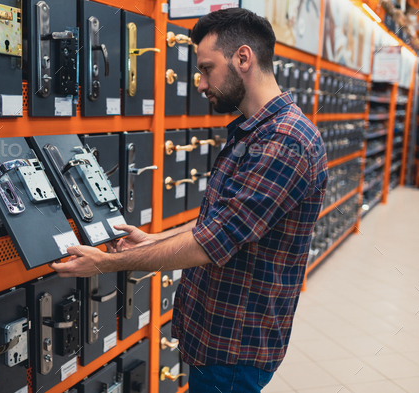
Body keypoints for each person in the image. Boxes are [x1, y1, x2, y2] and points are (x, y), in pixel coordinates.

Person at [51, 7, 327, 392]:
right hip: (216, 339)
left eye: (206, 68)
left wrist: (108, 263)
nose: (200, 83)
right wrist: (152, 241)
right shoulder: (255, 132)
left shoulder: (284, 141)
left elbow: (211, 242)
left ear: (243, 58)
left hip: (233, 351)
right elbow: (220, 221)